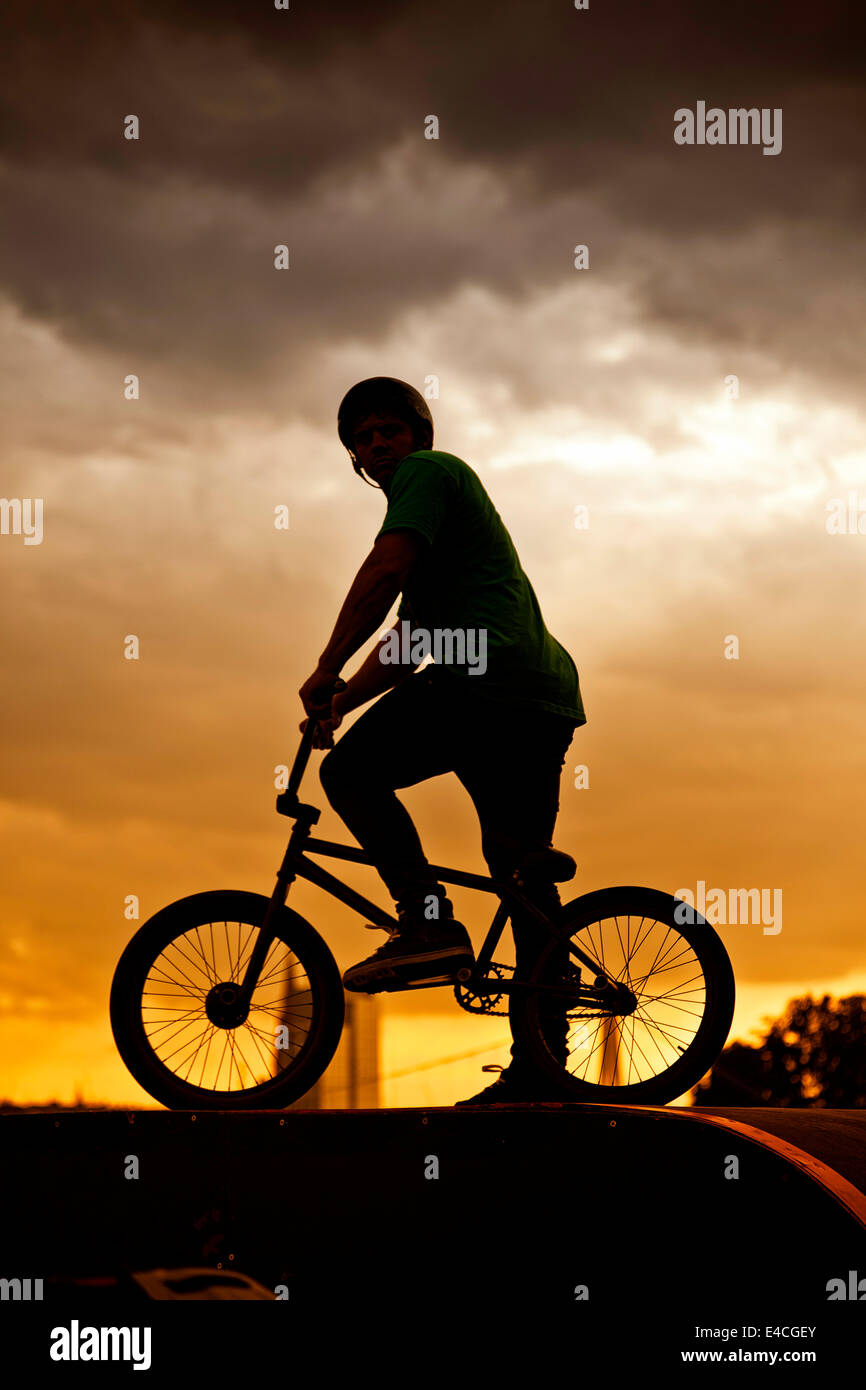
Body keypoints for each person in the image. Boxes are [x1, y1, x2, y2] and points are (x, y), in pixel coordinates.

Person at [298, 377, 587, 1102]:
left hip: (484, 680)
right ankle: (544, 1067)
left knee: (353, 775)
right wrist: (344, 696)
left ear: (416, 436)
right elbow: (410, 640)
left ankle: (427, 924)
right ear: (357, 462)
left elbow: (383, 572)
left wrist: (327, 664)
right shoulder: (440, 553)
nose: (376, 446)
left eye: (387, 430)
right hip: (536, 695)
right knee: (521, 873)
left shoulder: (431, 474)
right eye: (362, 440)